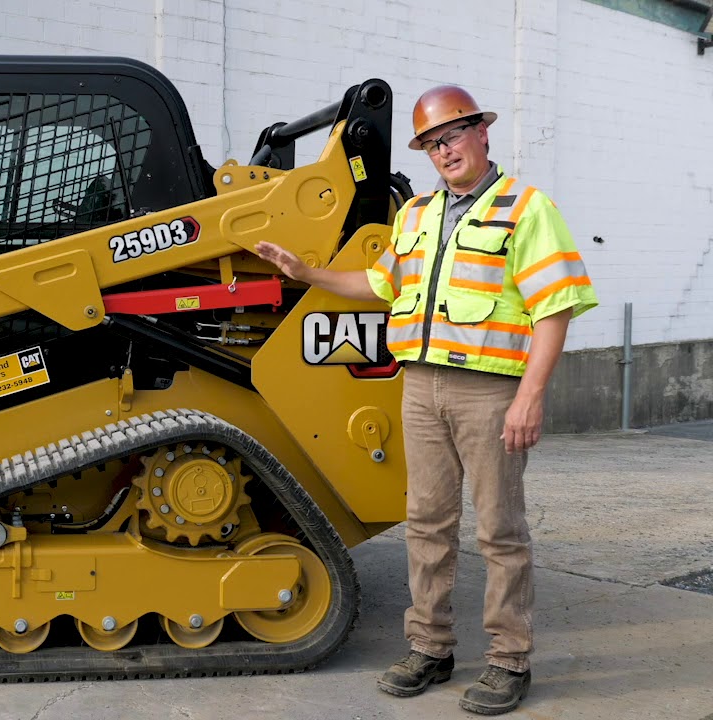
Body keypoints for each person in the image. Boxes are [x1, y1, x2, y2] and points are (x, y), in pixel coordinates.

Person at [254, 85, 597, 715]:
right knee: (428, 524)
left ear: (482, 134)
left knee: (500, 530)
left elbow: (556, 308)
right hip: (419, 386)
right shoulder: (415, 214)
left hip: (489, 392)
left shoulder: (526, 208)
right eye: (433, 143)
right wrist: (306, 275)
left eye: (454, 135)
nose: (445, 151)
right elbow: (380, 283)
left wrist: (531, 397)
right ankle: (430, 647)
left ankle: (507, 660)